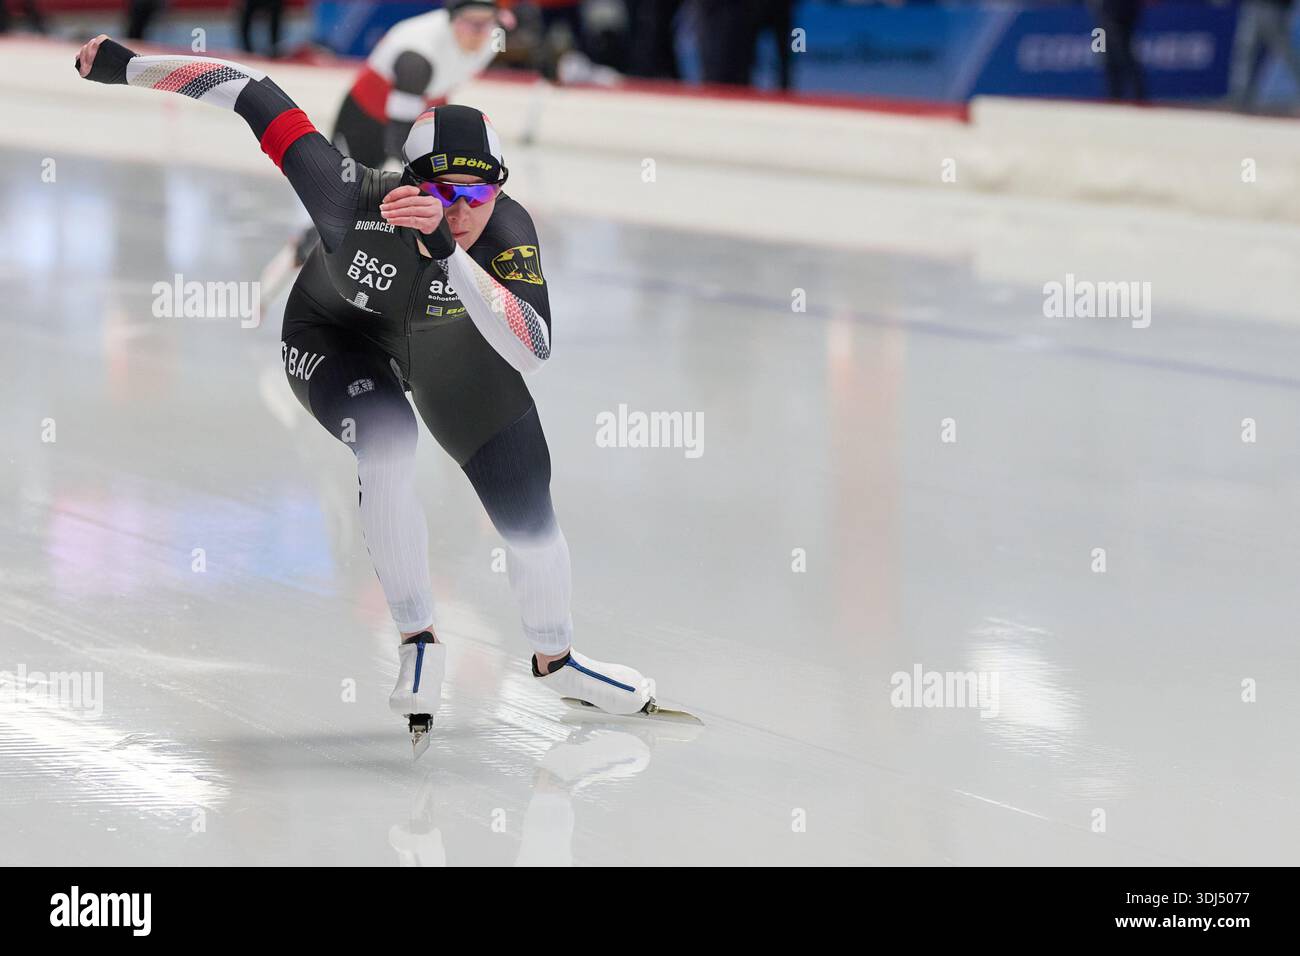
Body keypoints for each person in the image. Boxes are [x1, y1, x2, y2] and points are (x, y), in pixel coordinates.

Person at [74, 33, 659, 751]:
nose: (461, 209)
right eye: (442, 193)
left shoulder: (505, 231)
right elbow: (248, 92)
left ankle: (557, 658)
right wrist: (124, 65)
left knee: (529, 508)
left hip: (448, 352)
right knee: (388, 447)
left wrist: (451, 260)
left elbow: (530, 349)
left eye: (479, 192)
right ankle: (418, 635)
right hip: (334, 335)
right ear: (407, 183)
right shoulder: (347, 193)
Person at [1229, 0, 1300, 111]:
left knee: (1287, 56)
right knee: (1245, 55)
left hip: (1276, 9)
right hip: (1253, 7)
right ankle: (1241, 98)